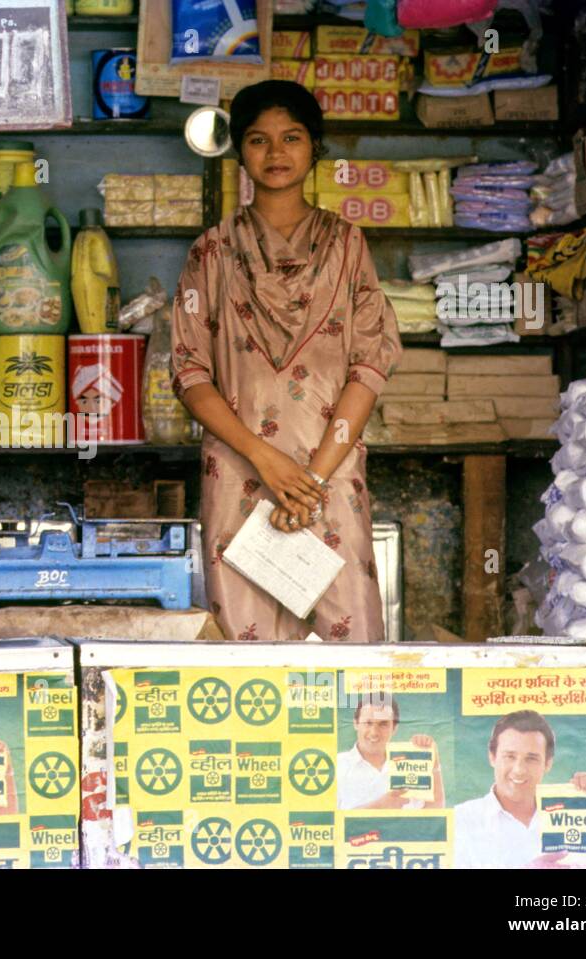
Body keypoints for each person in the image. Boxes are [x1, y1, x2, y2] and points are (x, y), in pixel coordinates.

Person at [171, 80, 401, 643]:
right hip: (239, 472)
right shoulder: (212, 251)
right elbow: (189, 370)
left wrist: (314, 479)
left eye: (291, 138)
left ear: (314, 147)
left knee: (355, 650)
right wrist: (264, 459)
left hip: (331, 470)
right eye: (258, 140)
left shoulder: (348, 246)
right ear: (239, 152)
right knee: (249, 656)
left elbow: (369, 365)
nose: (276, 154)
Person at [453, 710, 586, 869]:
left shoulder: (570, 816)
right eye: (509, 756)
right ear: (492, 757)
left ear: (547, 764)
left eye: (531, 759)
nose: (519, 769)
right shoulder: (461, 820)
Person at [336, 696, 445, 810]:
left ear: (394, 728)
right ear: (356, 724)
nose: (374, 732)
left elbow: (433, 811)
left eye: (383, 724)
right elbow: (326, 820)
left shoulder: (410, 763)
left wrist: (433, 760)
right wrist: (380, 806)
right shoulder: (337, 766)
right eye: (368, 723)